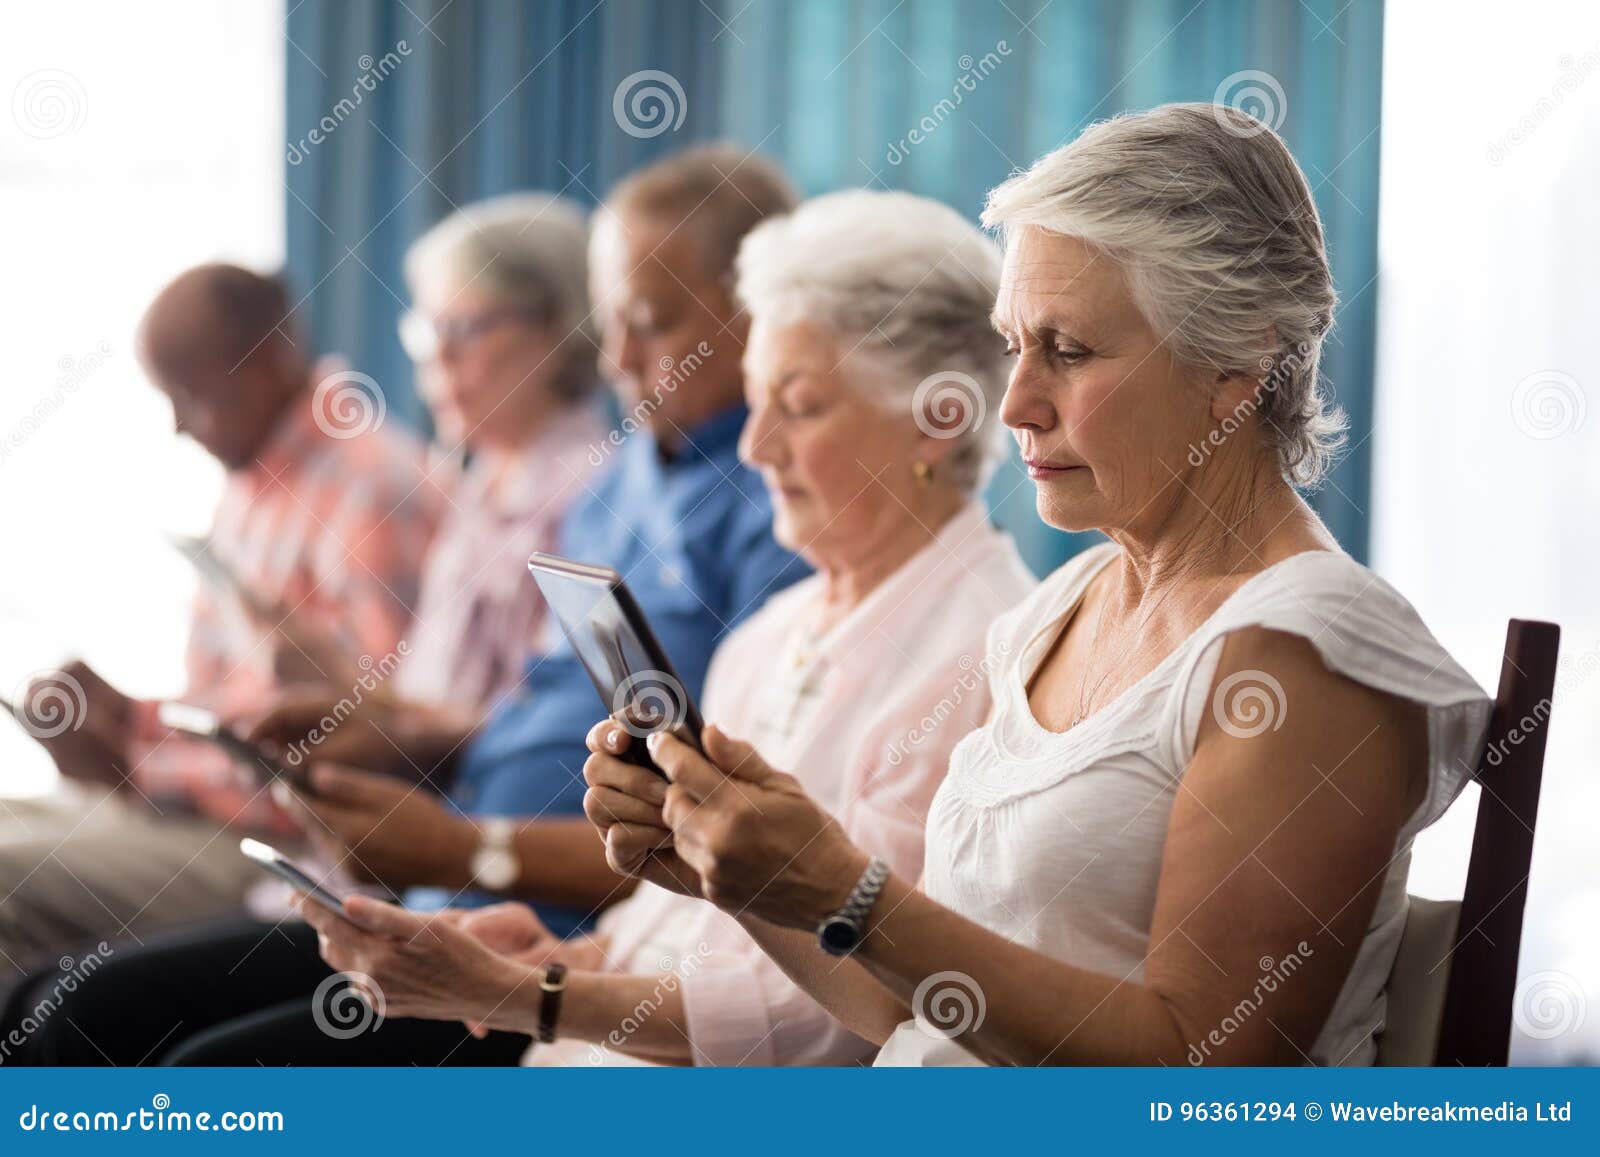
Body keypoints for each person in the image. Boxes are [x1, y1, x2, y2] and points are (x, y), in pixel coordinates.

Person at [582, 105, 1493, 1067]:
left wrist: (847, 890)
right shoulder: (1055, 612)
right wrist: (749, 876)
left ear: (1237, 362)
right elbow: (912, 1013)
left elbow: (1201, 1070)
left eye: (1069, 350)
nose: (1014, 403)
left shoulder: (1309, 656)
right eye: (1016, 345)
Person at [0, 145, 810, 1066]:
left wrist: (466, 848)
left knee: (166, 1059)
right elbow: (528, 714)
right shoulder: (618, 480)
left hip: (527, 911)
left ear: (762, 316)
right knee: (68, 1004)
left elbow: (728, 836)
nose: (618, 358)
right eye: (613, 321)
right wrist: (394, 733)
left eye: (654, 324)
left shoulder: (772, 505)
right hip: (441, 886)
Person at [295, 189, 1037, 1066]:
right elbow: (684, 917)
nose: (757, 449)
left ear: (938, 417)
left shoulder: (986, 655)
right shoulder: (768, 634)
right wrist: (565, 954)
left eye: (798, 408)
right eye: (758, 402)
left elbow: (843, 1016)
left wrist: (520, 993)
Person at [0, 264, 440, 972]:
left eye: (191, 397)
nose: (178, 425)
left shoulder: (371, 488)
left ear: (269, 360)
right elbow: (236, 703)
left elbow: (365, 746)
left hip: (283, 849)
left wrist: (144, 768)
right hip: (198, 806)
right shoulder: (254, 484)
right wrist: (130, 724)